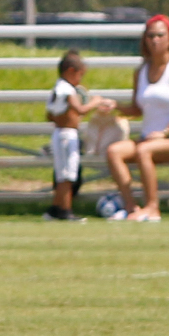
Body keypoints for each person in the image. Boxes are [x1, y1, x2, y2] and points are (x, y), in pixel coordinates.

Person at [105, 15, 169, 222]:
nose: (155, 40)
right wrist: (115, 107)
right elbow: (138, 109)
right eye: (150, 36)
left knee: (143, 150)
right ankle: (131, 207)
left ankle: (152, 208)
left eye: (160, 35)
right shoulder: (141, 71)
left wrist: (166, 132)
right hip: (150, 137)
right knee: (114, 151)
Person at [46, 51, 116, 222]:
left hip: (59, 133)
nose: (80, 80)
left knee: (63, 174)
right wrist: (95, 102)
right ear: (71, 71)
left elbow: (49, 115)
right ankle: (65, 209)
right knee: (68, 175)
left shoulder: (57, 89)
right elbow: (80, 109)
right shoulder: (67, 90)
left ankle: (55, 208)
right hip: (67, 136)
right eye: (80, 75)